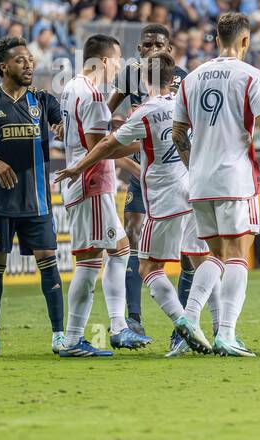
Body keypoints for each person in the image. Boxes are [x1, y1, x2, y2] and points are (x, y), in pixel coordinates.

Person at [54, 51, 222, 356]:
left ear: (145, 79)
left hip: (165, 199)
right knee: (209, 257)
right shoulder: (187, 106)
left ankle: (183, 322)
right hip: (195, 190)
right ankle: (222, 331)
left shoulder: (145, 111)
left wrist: (78, 166)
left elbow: (108, 144)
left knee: (147, 267)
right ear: (174, 78)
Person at [171, 12, 260, 357]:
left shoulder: (191, 78)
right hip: (235, 177)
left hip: (200, 179)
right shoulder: (252, 76)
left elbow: (178, 133)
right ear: (245, 41)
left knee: (216, 255)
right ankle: (226, 333)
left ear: (215, 40)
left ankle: (189, 317)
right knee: (238, 255)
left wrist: (195, 166)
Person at [0, 36, 68, 358]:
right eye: (21, 60)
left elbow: (62, 126)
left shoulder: (43, 100)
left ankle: (59, 335)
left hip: (37, 201)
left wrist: (63, 129)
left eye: (30, 59)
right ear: (4, 67)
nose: (29, 64)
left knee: (49, 261)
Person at [58, 33, 150, 354]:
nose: (119, 68)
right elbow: (101, 148)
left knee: (120, 249)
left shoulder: (71, 88)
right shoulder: (94, 95)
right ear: (107, 61)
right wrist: (147, 146)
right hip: (92, 185)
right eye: (118, 61)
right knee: (89, 262)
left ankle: (118, 326)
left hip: (87, 184)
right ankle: (72, 339)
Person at [108, 23, 186, 340]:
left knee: (190, 247)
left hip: (177, 173)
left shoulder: (182, 76)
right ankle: (134, 320)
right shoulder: (129, 76)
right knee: (134, 237)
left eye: (159, 44)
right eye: (147, 44)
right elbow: (106, 114)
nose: (153, 48)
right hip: (142, 170)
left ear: (169, 49)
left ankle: (183, 323)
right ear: (139, 48)